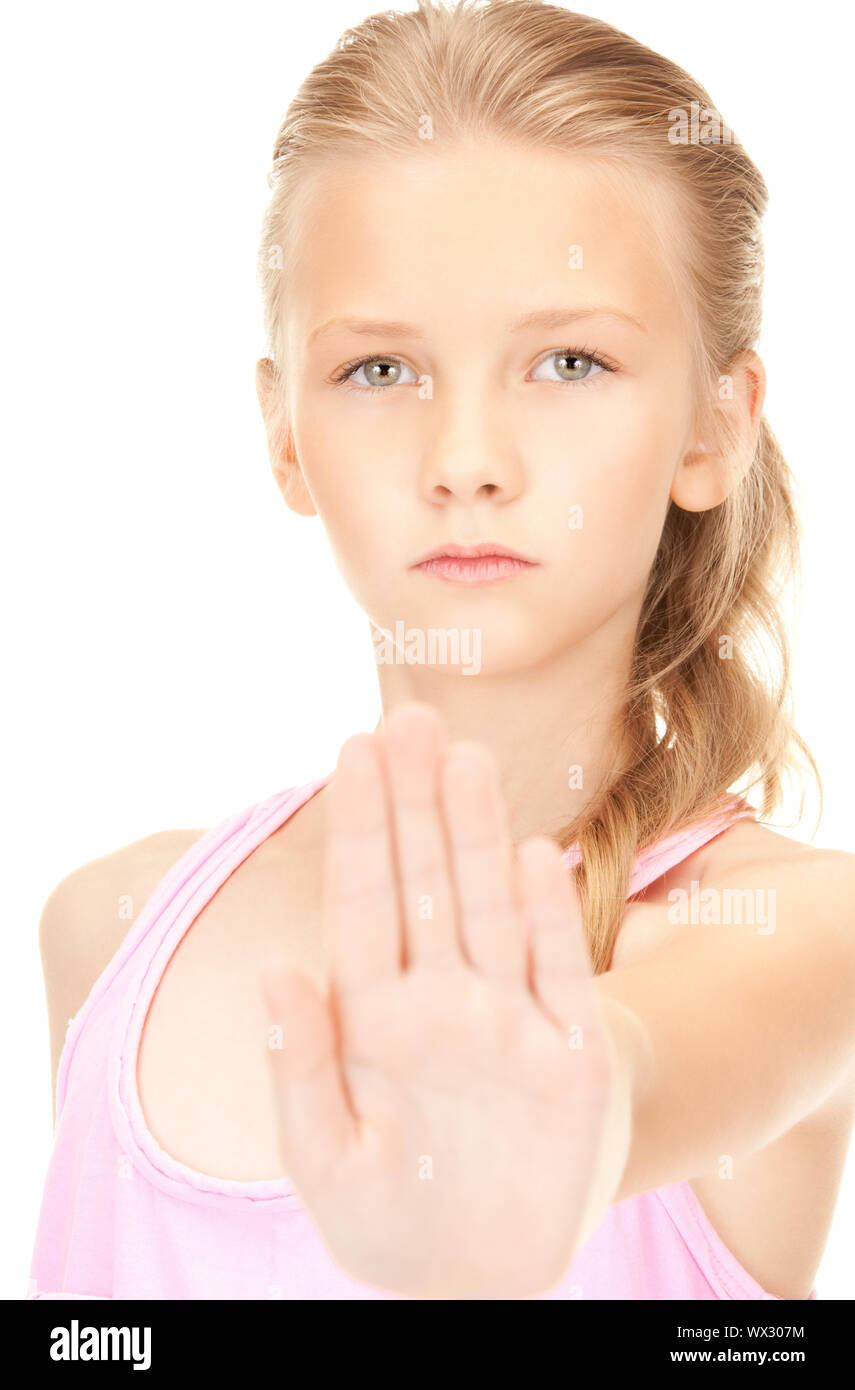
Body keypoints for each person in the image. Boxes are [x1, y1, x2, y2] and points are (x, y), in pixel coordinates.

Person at [29, 0, 855, 1301]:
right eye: (380, 371)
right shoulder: (103, 933)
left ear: (715, 425)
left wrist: (530, 1164)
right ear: (285, 434)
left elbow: (626, 1072)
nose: (467, 459)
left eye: (570, 360)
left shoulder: (804, 937)